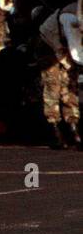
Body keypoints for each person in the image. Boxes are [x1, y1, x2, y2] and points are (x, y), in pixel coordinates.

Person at [35, 8, 81, 150]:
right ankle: (55, 129)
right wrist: (68, 64)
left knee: (70, 86)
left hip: (66, 44)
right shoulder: (69, 20)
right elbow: (60, 49)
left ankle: (73, 126)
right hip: (49, 46)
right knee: (53, 85)